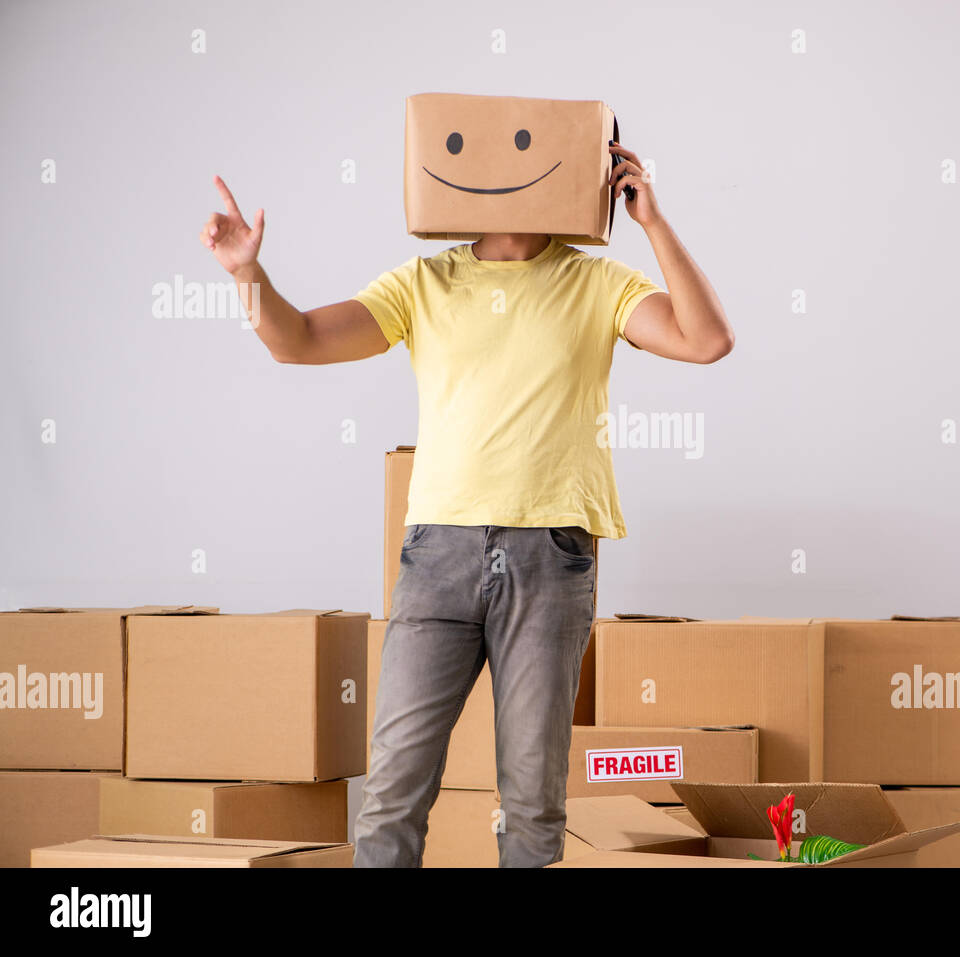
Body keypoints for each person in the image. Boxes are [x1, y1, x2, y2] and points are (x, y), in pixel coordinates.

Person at [198, 141, 733, 867]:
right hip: (439, 557)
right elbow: (297, 342)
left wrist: (654, 223)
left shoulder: (598, 283)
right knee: (392, 788)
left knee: (532, 803)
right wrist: (248, 273)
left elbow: (708, 340)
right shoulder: (423, 282)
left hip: (552, 558)